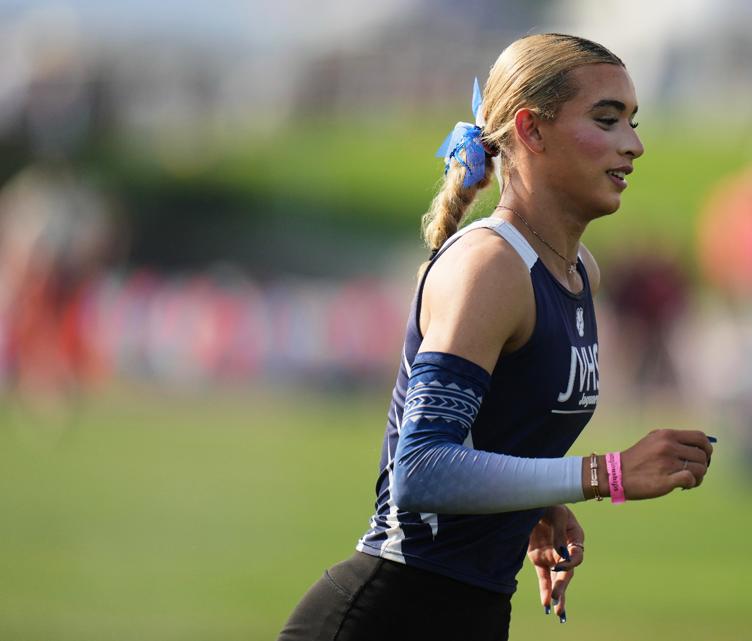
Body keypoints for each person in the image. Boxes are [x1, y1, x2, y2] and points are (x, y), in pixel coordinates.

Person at [277, 33, 715, 641]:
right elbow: (420, 470)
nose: (634, 145)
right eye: (607, 120)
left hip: (472, 612)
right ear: (531, 131)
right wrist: (603, 474)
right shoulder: (492, 265)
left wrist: (529, 503)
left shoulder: (579, 269)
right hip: (389, 613)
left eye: (633, 122)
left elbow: (496, 430)